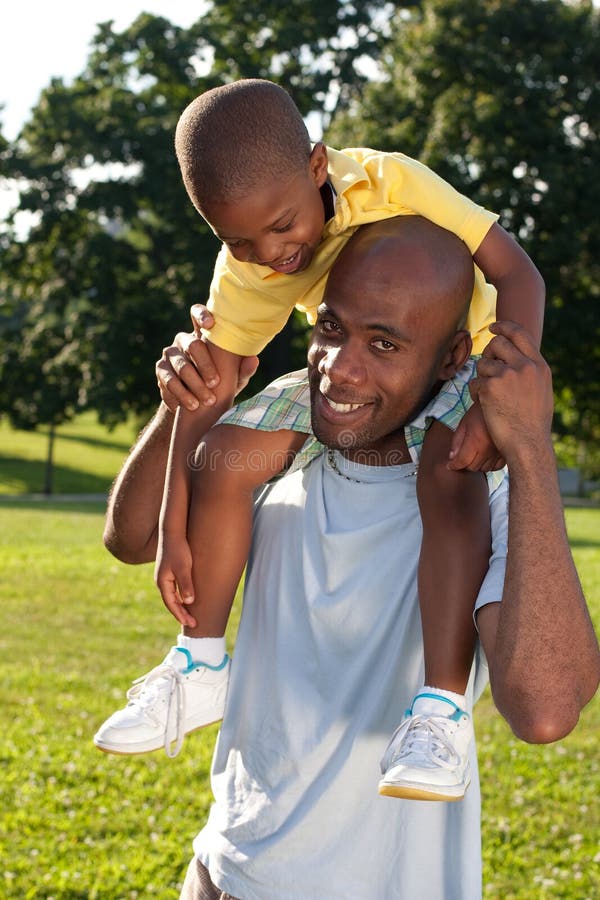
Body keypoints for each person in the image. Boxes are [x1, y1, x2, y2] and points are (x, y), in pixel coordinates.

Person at [101, 218, 599, 900]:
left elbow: (544, 712)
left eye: (385, 343)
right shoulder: (276, 446)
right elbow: (132, 540)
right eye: (331, 329)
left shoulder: (485, 486)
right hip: (225, 874)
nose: (339, 367)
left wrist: (532, 451)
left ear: (454, 357)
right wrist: (186, 410)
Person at [94, 78, 546, 800]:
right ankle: (201, 661)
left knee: (447, 473)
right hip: (345, 372)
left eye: (280, 226)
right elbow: (202, 395)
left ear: (317, 167)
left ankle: (440, 710)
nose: (270, 253)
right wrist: (175, 529)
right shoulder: (247, 265)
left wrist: (505, 397)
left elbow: (517, 271)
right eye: (238, 238)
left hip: (471, 360)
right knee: (225, 455)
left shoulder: (391, 181)